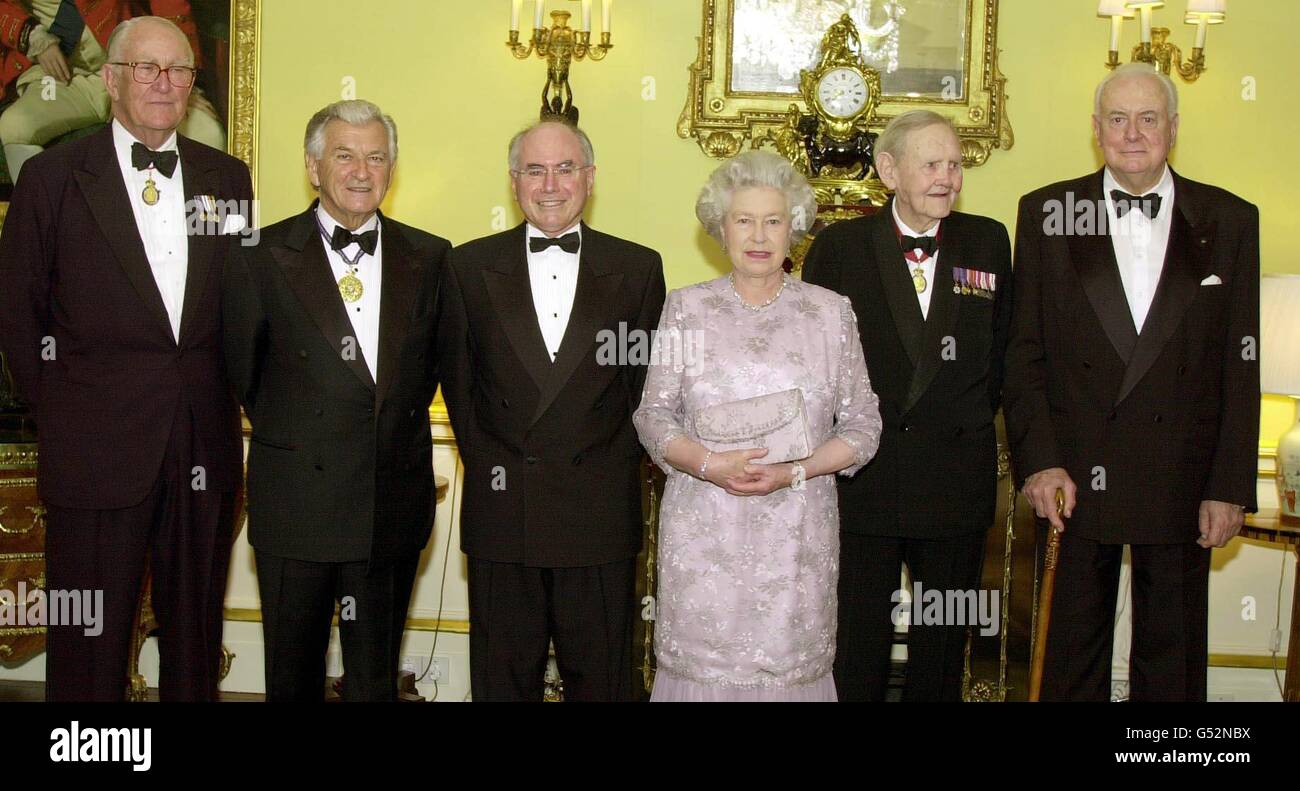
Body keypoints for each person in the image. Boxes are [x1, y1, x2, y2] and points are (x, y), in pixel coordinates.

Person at [0, 15, 252, 701]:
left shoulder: (227, 179)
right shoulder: (51, 179)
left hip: (202, 447)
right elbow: (18, 317)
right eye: (148, 68)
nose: (165, 83)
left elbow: (243, 302)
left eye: (180, 70)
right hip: (93, 452)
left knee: (195, 639)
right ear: (111, 80)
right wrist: (66, 413)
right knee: (89, 644)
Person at [1003, 63, 1259, 701]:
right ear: (1096, 130)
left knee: (1172, 666)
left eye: (1149, 118)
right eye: (1118, 119)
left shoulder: (1230, 219)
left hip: (1182, 476)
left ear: (1174, 128)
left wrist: (1228, 486)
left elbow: (1241, 364)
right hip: (1073, 477)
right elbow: (1024, 353)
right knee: (1069, 658)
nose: (1134, 133)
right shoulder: (1047, 212)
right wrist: (1040, 463)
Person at [633, 149, 882, 701]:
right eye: (743, 220)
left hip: (797, 534)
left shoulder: (831, 313)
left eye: (774, 220)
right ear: (720, 229)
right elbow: (652, 415)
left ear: (794, 229)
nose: (759, 235)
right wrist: (709, 465)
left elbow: (864, 424)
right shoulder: (686, 309)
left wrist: (796, 470)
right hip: (704, 531)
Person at [222, 100, 448, 701]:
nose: (361, 171)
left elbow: (428, 373)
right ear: (312, 166)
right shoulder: (258, 253)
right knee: (291, 678)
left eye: (376, 157)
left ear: (392, 169)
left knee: (375, 679)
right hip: (297, 502)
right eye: (344, 155)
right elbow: (244, 376)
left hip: (390, 505)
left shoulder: (431, 257)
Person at [438, 119, 665, 701]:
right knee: (502, 683)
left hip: (598, 516)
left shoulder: (638, 269)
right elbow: (461, 391)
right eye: (535, 170)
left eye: (566, 169)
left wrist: (607, 470)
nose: (550, 184)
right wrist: (498, 471)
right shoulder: (466, 268)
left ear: (590, 177)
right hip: (504, 514)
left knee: (603, 682)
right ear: (513, 181)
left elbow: (645, 393)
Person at [802, 110, 1013, 702]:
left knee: (942, 650)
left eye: (955, 165)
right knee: (856, 645)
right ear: (889, 170)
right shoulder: (840, 247)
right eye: (932, 164)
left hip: (955, 479)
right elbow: (818, 364)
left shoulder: (988, 240)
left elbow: (1002, 353)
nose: (947, 177)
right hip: (866, 479)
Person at [0, 0, 224, 182]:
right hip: (60, 78)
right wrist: (31, 35)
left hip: (134, 70)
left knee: (207, 133)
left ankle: (195, 224)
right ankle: (48, 218)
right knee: (14, 126)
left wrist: (180, 75)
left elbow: (170, 6)